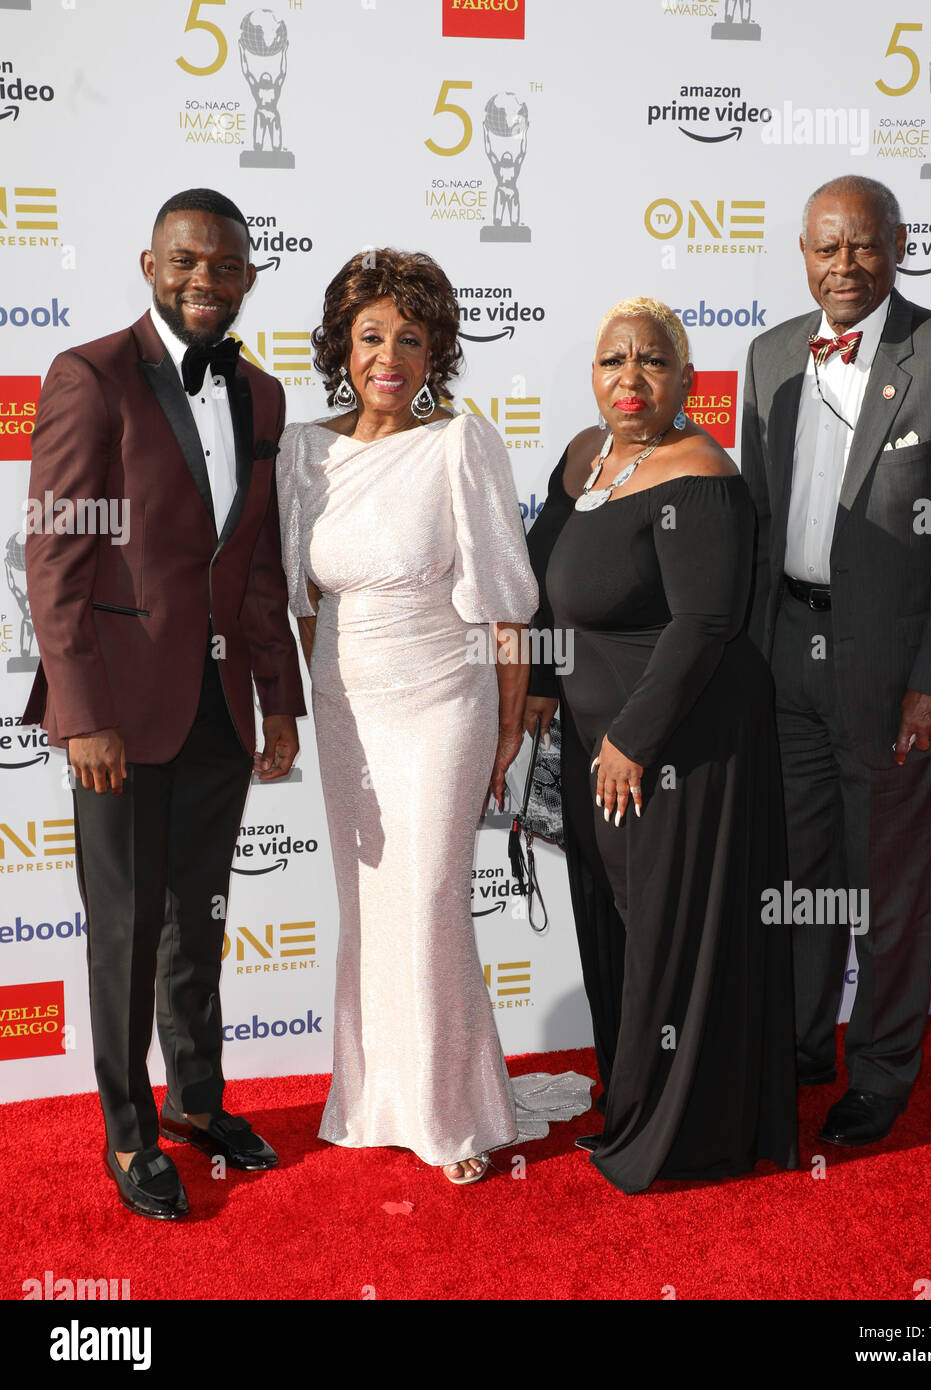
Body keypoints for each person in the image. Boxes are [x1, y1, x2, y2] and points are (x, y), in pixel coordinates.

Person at [21, 188, 306, 1219]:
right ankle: (129, 1131)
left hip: (222, 707)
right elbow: (53, 558)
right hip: (121, 715)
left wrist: (281, 699)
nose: (205, 280)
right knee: (126, 928)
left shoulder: (262, 396)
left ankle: (197, 1099)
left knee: (201, 919)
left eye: (225, 266)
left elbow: (259, 562)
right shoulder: (90, 377)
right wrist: (82, 712)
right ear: (149, 264)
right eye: (187, 261)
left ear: (246, 278)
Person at [741, 174, 931, 1145]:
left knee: (887, 886)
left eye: (861, 245)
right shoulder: (768, 354)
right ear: (802, 254)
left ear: (896, 245)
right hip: (784, 662)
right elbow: (758, 519)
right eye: (825, 247)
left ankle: (884, 1068)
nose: (842, 265)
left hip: (893, 674)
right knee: (801, 872)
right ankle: (803, 1040)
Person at [276, 249, 546, 1185]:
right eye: (371, 336)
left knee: (431, 903)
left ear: (436, 353)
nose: (388, 356)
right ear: (341, 347)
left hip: (444, 702)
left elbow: (507, 602)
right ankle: (374, 1100)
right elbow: (302, 594)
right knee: (370, 910)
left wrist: (508, 727)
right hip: (347, 705)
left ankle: (452, 1116)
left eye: (410, 339)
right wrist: (307, 702)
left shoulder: (459, 441)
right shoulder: (306, 451)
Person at [524, 297, 798, 1195]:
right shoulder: (582, 456)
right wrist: (533, 689)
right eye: (612, 362)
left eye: (651, 362)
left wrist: (634, 740)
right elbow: (544, 585)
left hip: (685, 741)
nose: (629, 379)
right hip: (594, 737)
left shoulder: (700, 472)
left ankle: (686, 1133)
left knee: (676, 930)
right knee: (618, 917)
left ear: (686, 381)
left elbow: (705, 622)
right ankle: (634, 1097)